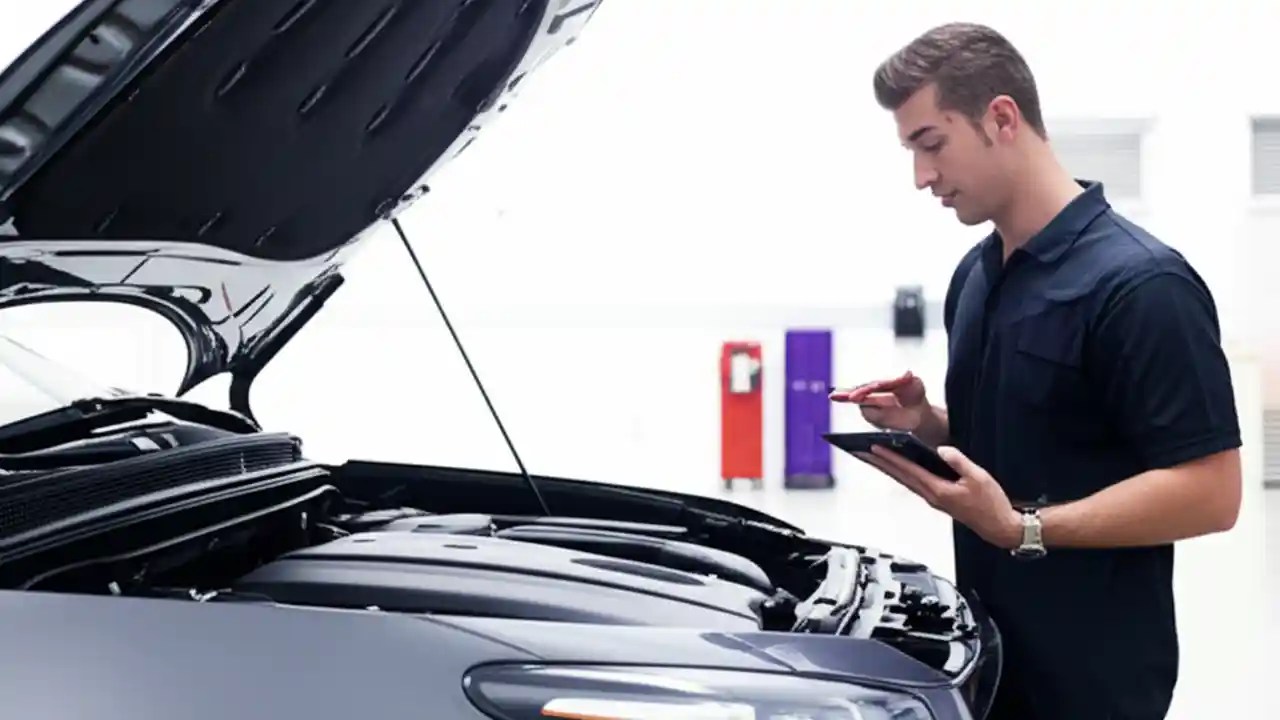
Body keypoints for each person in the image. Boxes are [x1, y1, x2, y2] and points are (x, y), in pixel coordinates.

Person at [831, 22, 1244, 720]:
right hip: (988, 670)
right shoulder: (976, 276)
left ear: (1001, 118)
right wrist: (926, 423)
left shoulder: (1142, 287)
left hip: (1094, 689)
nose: (922, 176)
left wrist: (1024, 528)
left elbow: (1212, 492)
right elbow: (1034, 438)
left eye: (932, 145)